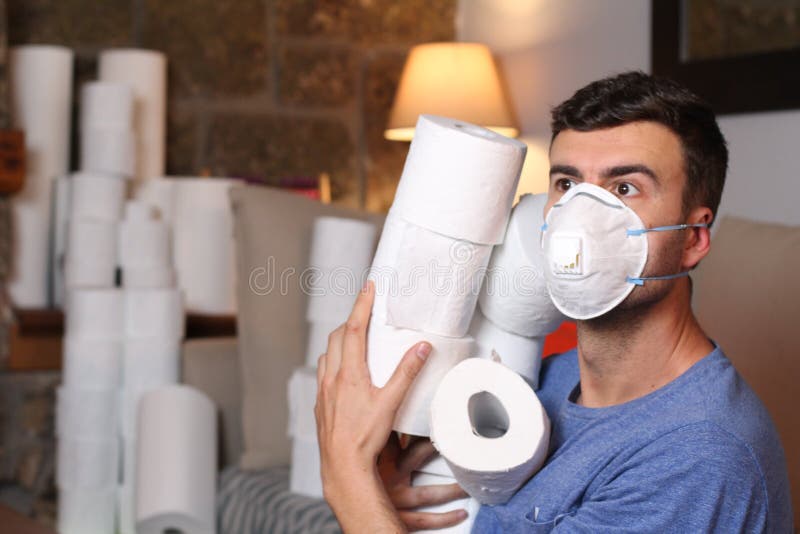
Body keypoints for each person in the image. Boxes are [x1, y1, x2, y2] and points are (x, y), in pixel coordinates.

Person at [314, 71, 794, 532]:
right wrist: (384, 494)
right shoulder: (548, 378)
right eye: (566, 184)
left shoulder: (698, 455)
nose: (579, 217)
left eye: (624, 188)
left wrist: (349, 483)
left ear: (692, 237)